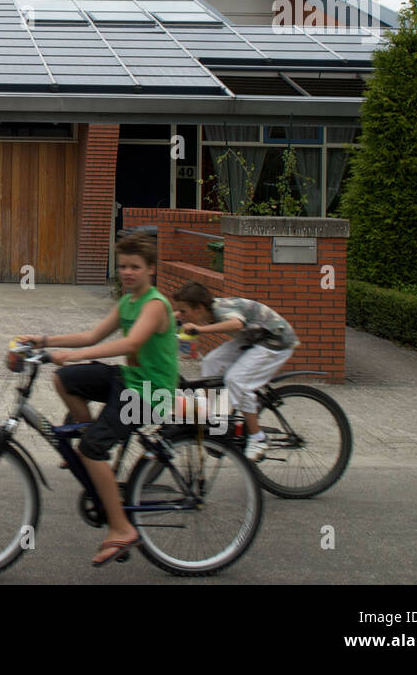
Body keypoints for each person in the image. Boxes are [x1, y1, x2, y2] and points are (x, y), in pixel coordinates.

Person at [18, 233, 177, 568]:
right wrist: (43, 341)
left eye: (135, 267)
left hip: (152, 392)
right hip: (130, 381)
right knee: (64, 379)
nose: (128, 272)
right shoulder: (128, 302)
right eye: (123, 267)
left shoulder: (154, 304)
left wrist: (77, 355)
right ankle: (92, 453)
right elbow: (92, 335)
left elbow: (131, 344)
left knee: (90, 447)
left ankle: (120, 528)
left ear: (151, 270)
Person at [172, 281, 299, 461]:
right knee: (211, 361)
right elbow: (176, 315)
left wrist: (200, 329)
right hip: (253, 338)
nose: (181, 315)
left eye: (184, 311)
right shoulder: (206, 309)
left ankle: (258, 438)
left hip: (275, 341)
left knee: (236, 380)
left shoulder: (221, 310)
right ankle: (209, 415)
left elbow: (237, 324)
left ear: (199, 308)